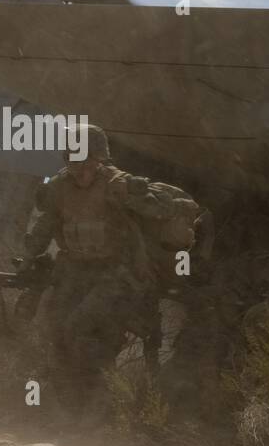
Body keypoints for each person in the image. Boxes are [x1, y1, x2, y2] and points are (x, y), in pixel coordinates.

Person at [23, 124, 176, 420]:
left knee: (81, 330)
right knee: (54, 332)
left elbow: (162, 210)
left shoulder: (117, 184)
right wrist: (29, 257)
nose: (77, 168)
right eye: (71, 159)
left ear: (98, 159)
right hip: (73, 271)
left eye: (84, 160)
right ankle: (65, 407)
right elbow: (45, 225)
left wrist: (140, 195)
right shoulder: (58, 187)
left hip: (115, 275)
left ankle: (103, 407)